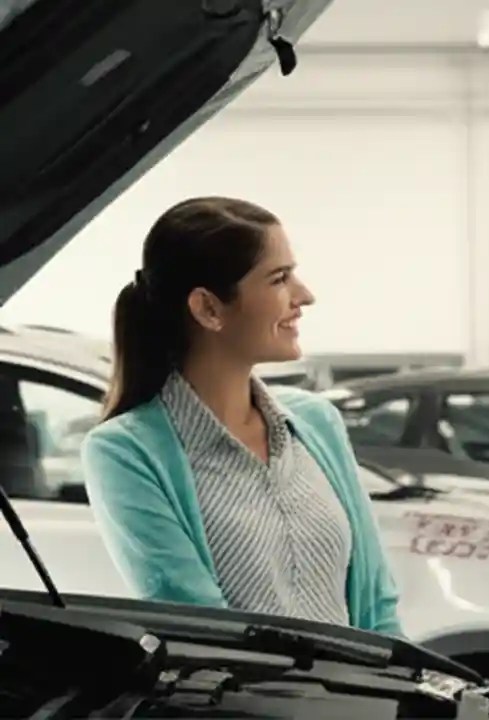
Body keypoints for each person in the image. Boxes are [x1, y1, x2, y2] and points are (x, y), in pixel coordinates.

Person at [81, 196, 403, 637]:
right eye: (279, 279)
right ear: (209, 309)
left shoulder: (317, 423)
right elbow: (200, 628)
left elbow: (378, 608)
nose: (304, 295)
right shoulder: (124, 453)